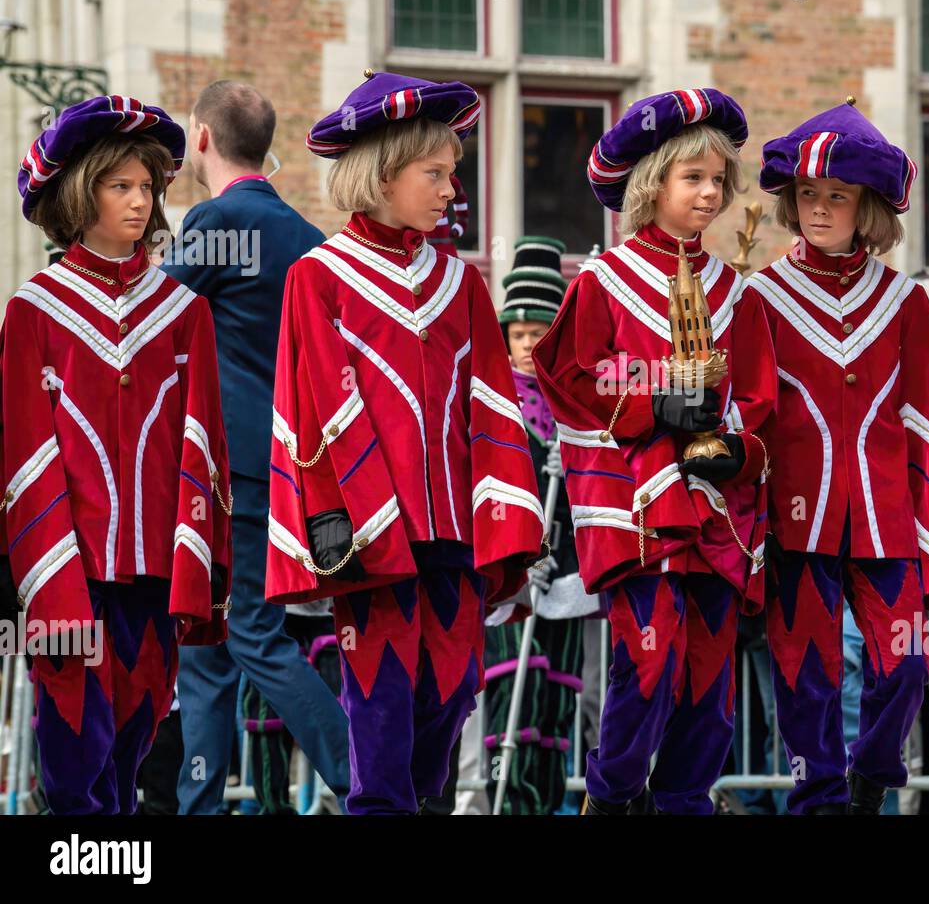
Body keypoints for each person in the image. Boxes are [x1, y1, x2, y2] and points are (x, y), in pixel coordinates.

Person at [267, 70, 542, 814]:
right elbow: (318, 406)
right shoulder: (318, 279)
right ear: (383, 173)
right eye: (437, 173)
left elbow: (492, 408)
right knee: (380, 716)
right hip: (373, 546)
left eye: (453, 173)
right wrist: (354, 529)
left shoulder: (461, 283)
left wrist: (506, 531)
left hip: (454, 536)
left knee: (449, 706)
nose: (454, 189)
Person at [532, 88, 777, 815]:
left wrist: (739, 450)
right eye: (691, 178)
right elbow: (573, 377)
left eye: (717, 180)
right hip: (638, 505)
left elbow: (761, 401)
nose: (709, 193)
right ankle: (611, 797)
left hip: (715, 510)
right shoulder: (603, 283)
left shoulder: (738, 291)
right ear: (652, 184)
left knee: (710, 675)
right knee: (649, 655)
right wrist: (656, 399)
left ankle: (683, 801)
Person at [1, 94, 232, 813]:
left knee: (136, 751)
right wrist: (51, 583)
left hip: (158, 573)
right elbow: (22, 455)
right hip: (71, 574)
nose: (139, 202)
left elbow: (205, 448)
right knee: (75, 765)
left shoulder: (185, 313)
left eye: (148, 187)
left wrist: (198, 572)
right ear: (80, 191)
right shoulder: (34, 309)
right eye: (119, 186)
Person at [745, 99, 929, 814]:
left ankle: (873, 774)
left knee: (905, 667)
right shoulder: (762, 296)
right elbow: (750, 416)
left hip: (887, 522)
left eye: (837, 195)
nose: (820, 208)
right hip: (795, 523)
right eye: (808, 194)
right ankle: (818, 801)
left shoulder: (905, 301)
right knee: (807, 678)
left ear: (867, 205)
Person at [161, 79, 351, 814]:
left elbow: (152, 325)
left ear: (201, 138)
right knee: (206, 646)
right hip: (287, 468)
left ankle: (365, 783)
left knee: (252, 636)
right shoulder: (309, 239)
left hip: (232, 471)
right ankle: (197, 803)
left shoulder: (217, 223)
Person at [481, 235, 590, 814]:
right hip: (514, 576)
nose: (526, 347)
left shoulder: (579, 408)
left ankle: (547, 804)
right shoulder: (492, 403)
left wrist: (573, 463)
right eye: (518, 336)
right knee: (514, 703)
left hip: (567, 577)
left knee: (554, 705)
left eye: (537, 336)